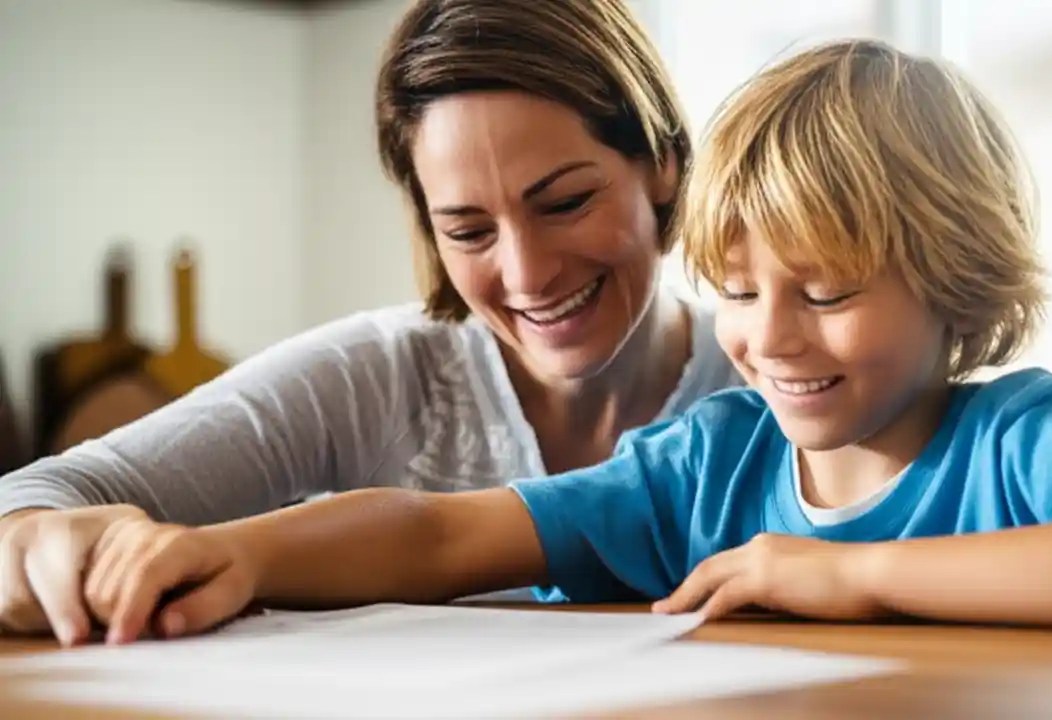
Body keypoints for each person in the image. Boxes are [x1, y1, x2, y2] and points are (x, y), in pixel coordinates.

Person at [67, 38, 1052, 646]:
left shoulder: (1019, 438)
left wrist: (847, 576)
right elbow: (442, 528)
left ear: (955, 277)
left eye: (828, 289)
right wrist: (236, 556)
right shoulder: (706, 460)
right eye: (740, 291)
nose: (768, 337)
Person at [0, 0, 739, 647]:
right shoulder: (371, 376)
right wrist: (38, 539)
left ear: (664, 162)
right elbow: (43, 492)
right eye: (469, 231)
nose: (526, 274)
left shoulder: (780, 377)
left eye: (565, 202)